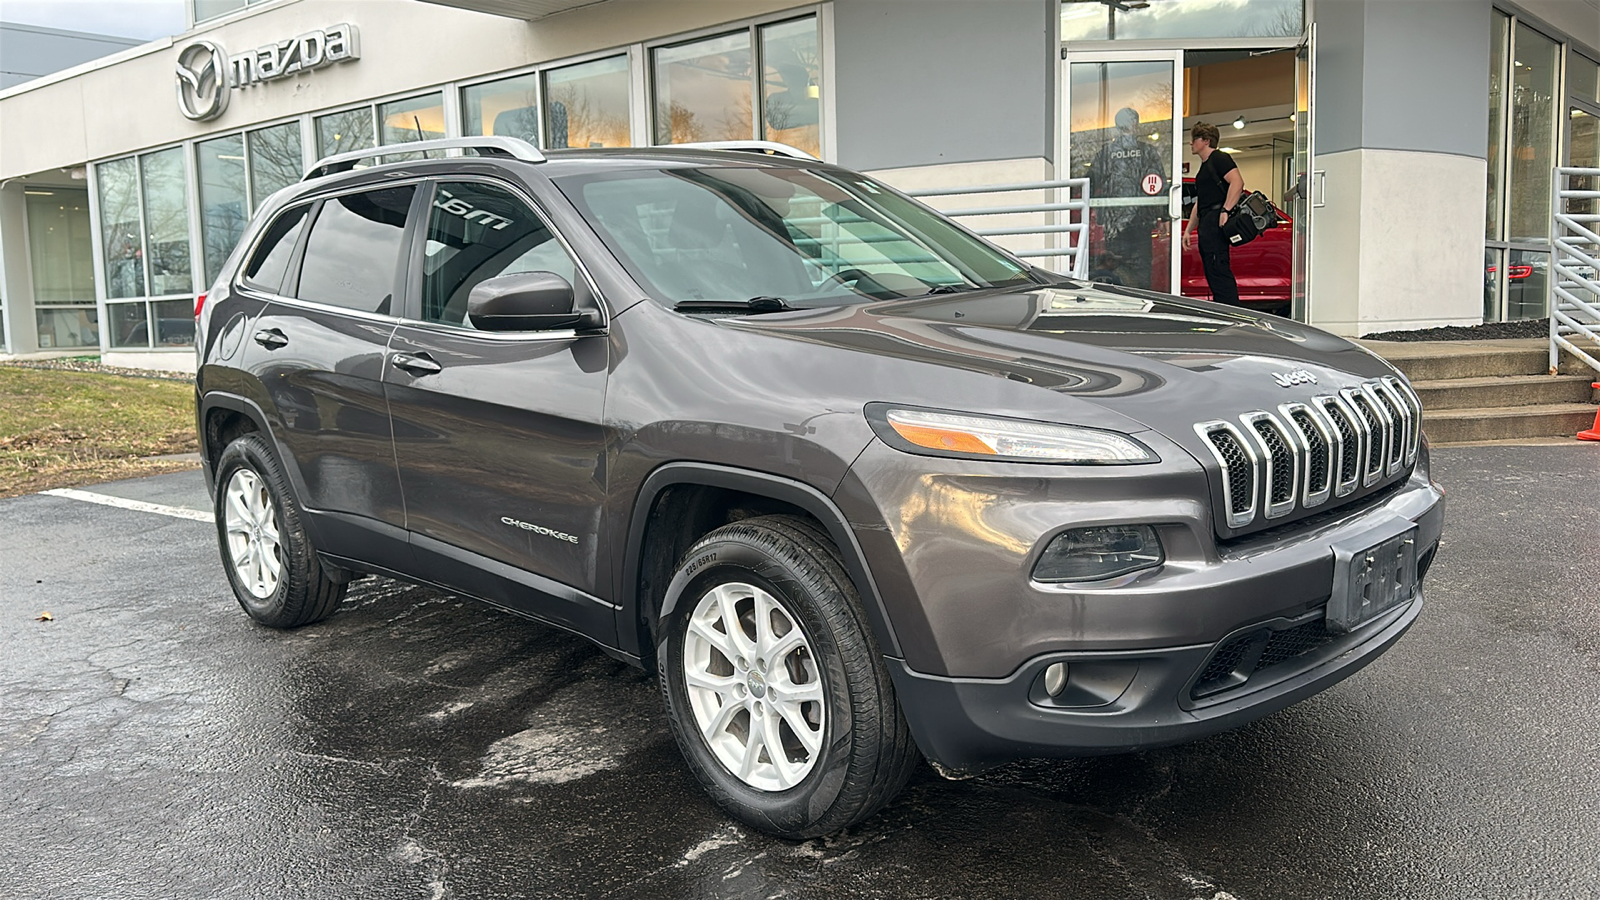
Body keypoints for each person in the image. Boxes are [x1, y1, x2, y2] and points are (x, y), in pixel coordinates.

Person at [1088, 107, 1168, 288]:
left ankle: (1121, 306)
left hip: (1114, 225)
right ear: (1135, 125)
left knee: (1117, 269)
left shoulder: (1105, 154)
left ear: (1117, 126)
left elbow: (1090, 183)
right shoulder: (1147, 152)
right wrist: (1164, 216)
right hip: (1141, 221)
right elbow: (1158, 184)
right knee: (1141, 271)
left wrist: (1098, 212)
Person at [1183, 121, 1244, 307]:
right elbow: (1200, 202)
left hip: (1216, 220)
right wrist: (1188, 230)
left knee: (1218, 267)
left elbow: (1237, 182)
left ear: (1206, 141)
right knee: (1212, 268)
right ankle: (1223, 308)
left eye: (1195, 139)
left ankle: (1231, 312)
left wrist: (1226, 210)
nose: (1191, 143)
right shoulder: (1204, 168)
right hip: (1207, 222)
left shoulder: (1219, 158)